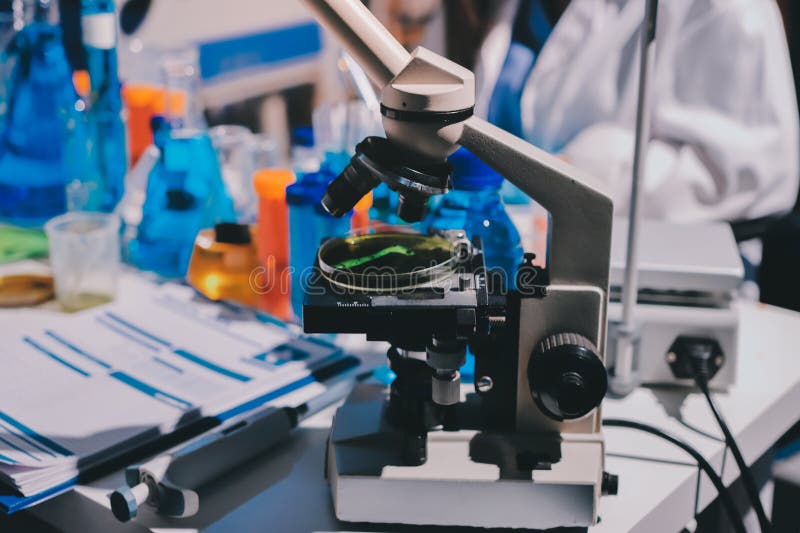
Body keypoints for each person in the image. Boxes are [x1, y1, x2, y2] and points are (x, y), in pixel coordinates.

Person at [463, 0, 800, 223]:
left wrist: (561, 179)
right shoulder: (504, 9)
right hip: (500, 265)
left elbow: (745, 174)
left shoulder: (726, 7)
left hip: (653, 294)